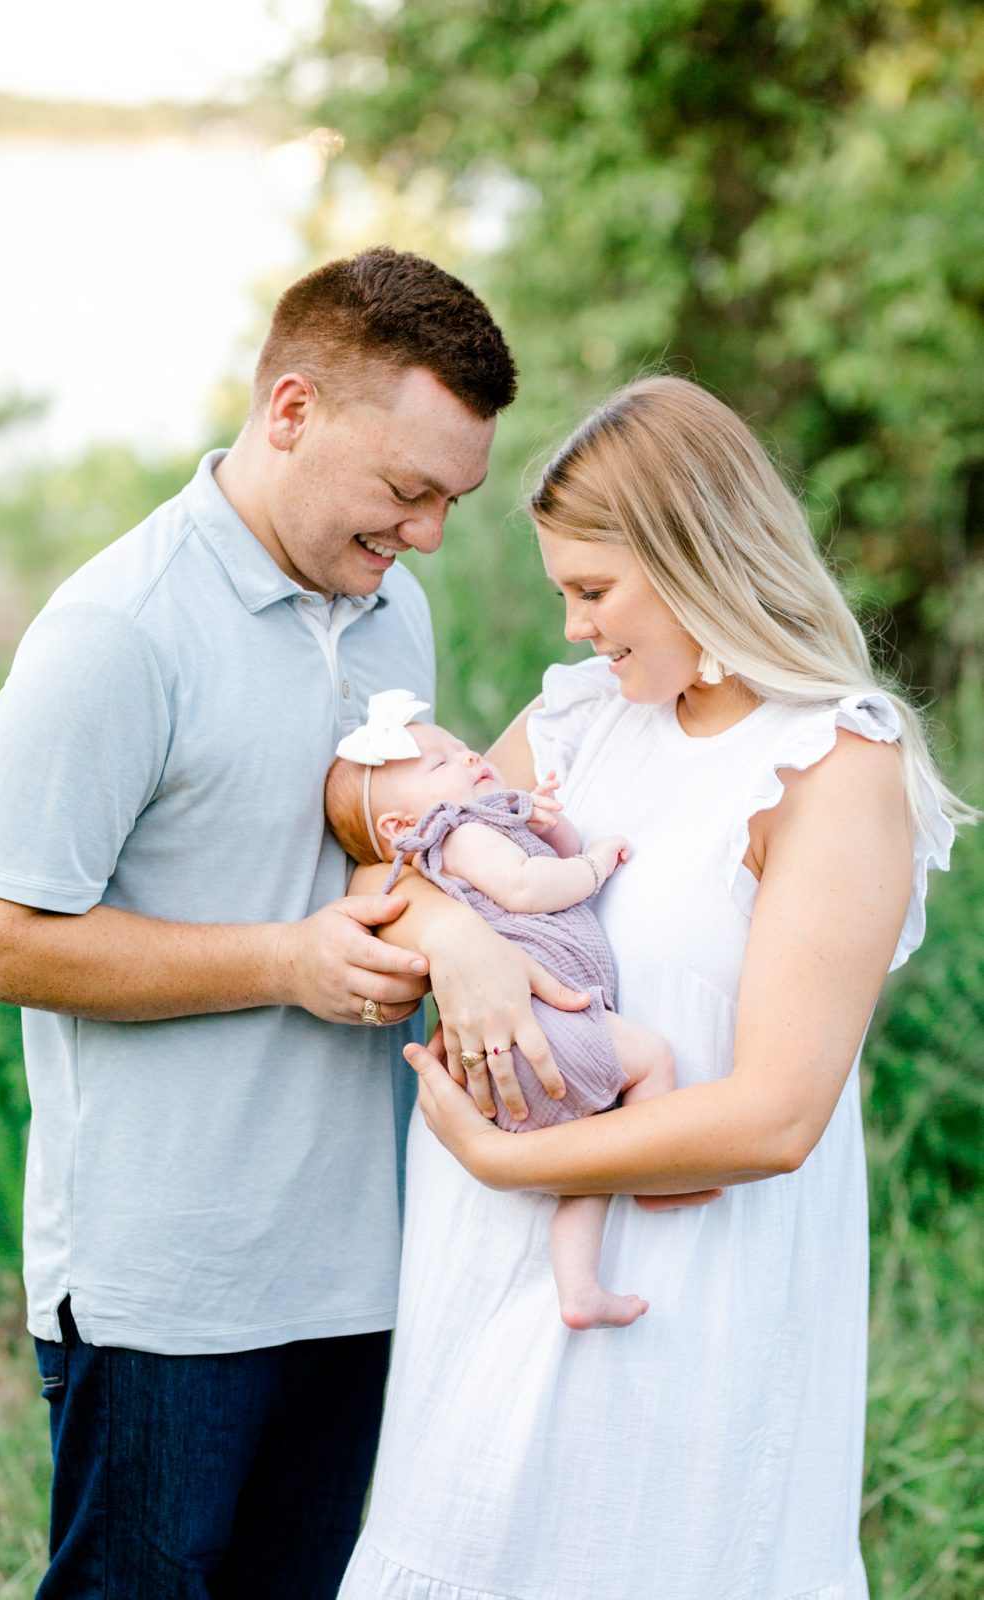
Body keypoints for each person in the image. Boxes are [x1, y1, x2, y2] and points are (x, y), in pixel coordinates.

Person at [0, 245, 539, 1600]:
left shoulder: (398, 612)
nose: (429, 536)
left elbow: (379, 857)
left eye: (452, 500)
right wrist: (286, 963)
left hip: (366, 1268)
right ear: (289, 410)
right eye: (406, 490)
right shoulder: (116, 632)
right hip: (171, 1286)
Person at [336, 375, 971, 1600]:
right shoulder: (577, 720)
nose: (572, 628)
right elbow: (409, 850)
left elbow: (775, 1114)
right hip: (491, 1268)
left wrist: (503, 1158)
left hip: (681, 1281)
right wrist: (453, 941)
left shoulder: (830, 764)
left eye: (592, 591)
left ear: (697, 562)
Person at [325, 694, 675, 1330]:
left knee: (586, 1166)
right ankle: (663, 1172)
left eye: (457, 745)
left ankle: (580, 1289)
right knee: (651, 1060)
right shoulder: (459, 835)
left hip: (515, 1048)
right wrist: (593, 863)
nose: (463, 754)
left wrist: (547, 826)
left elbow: (539, 859)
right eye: (437, 764)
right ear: (402, 829)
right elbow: (527, 886)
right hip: (544, 1024)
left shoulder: (483, 831)